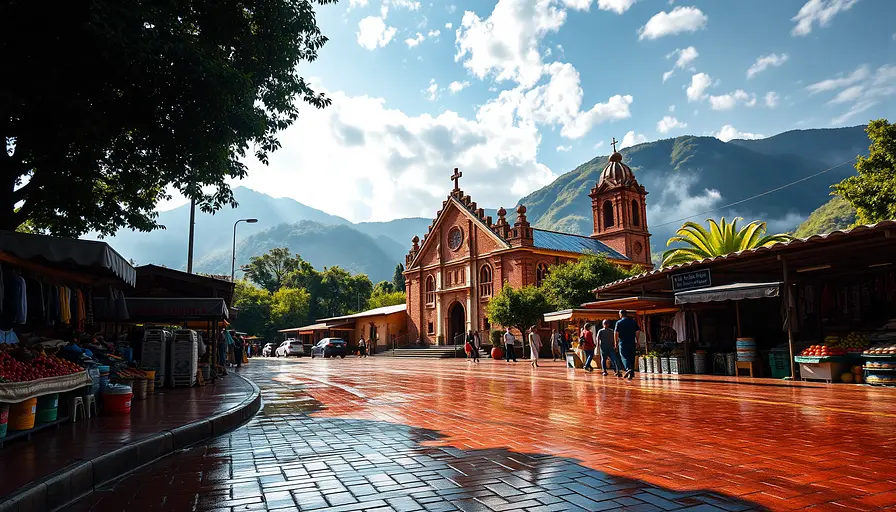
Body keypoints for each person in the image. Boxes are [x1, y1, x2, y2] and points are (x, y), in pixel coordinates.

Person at [615, 309, 641, 380]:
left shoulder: (619, 322)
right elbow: (638, 331)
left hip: (623, 342)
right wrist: (637, 341)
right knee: (631, 357)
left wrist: (615, 342)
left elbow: (616, 333)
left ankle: (628, 368)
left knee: (624, 356)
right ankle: (631, 373)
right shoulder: (633, 322)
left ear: (621, 314)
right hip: (632, 341)